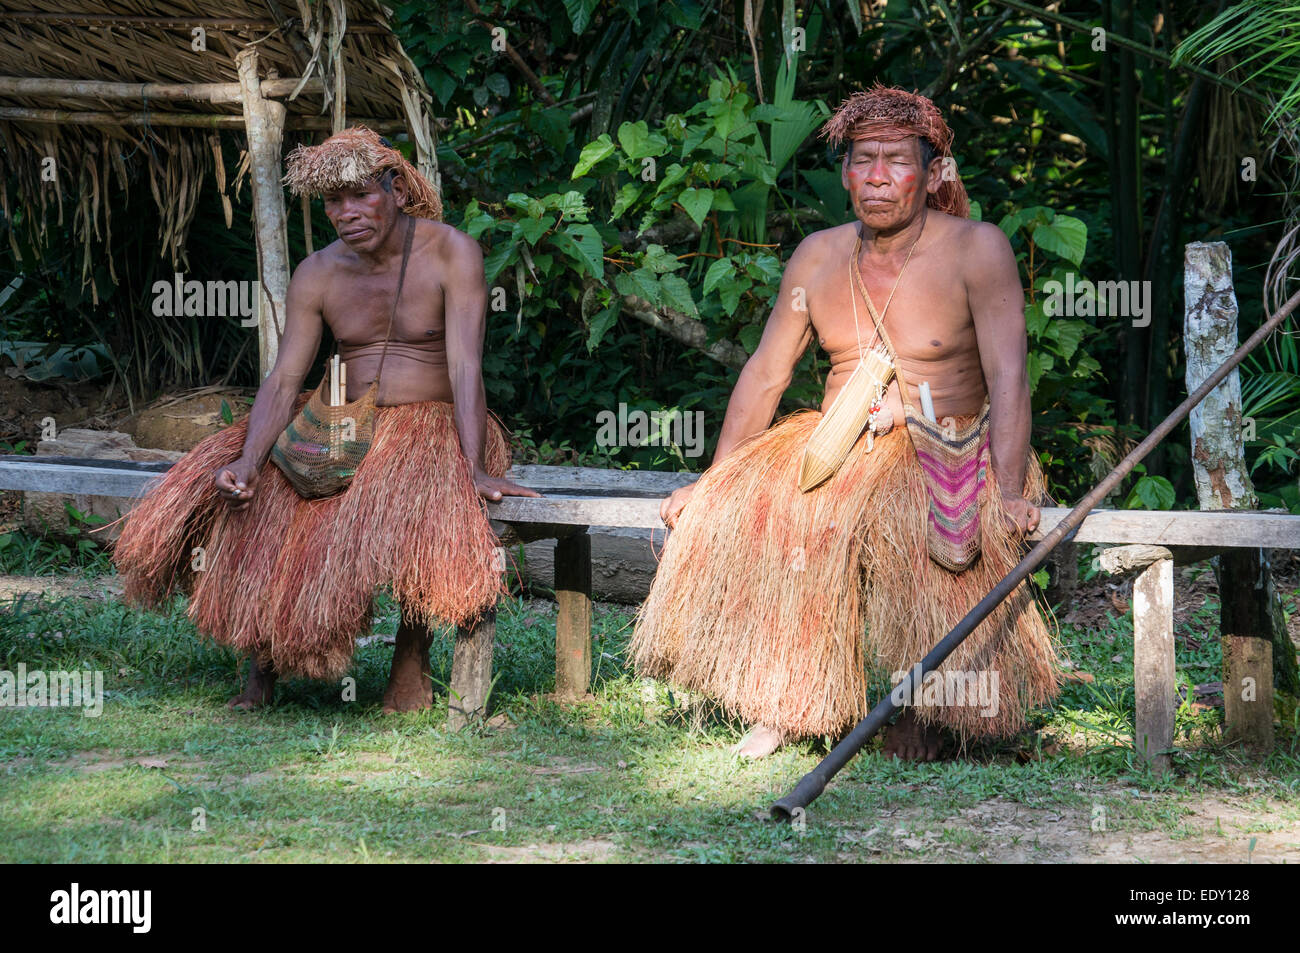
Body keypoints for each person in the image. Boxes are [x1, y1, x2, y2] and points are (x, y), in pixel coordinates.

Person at [631, 85, 1057, 759]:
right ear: (844, 173)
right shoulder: (818, 256)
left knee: (912, 515)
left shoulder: (977, 250)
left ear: (934, 172)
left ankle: (925, 711)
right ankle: (786, 697)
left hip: (944, 446)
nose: (878, 176)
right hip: (832, 447)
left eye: (895, 160)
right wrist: (715, 480)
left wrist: (1005, 489)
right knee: (777, 509)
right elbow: (767, 373)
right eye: (863, 160)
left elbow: (1009, 377)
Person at [114, 127, 537, 713]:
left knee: (421, 504)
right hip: (335, 417)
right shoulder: (318, 271)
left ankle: (409, 668)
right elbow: (287, 377)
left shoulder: (450, 252)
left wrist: (475, 466)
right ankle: (262, 665)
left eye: (360, 195)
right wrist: (247, 460)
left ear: (396, 189)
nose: (347, 212)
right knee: (263, 501)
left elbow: (466, 365)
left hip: (432, 425)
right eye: (333, 202)